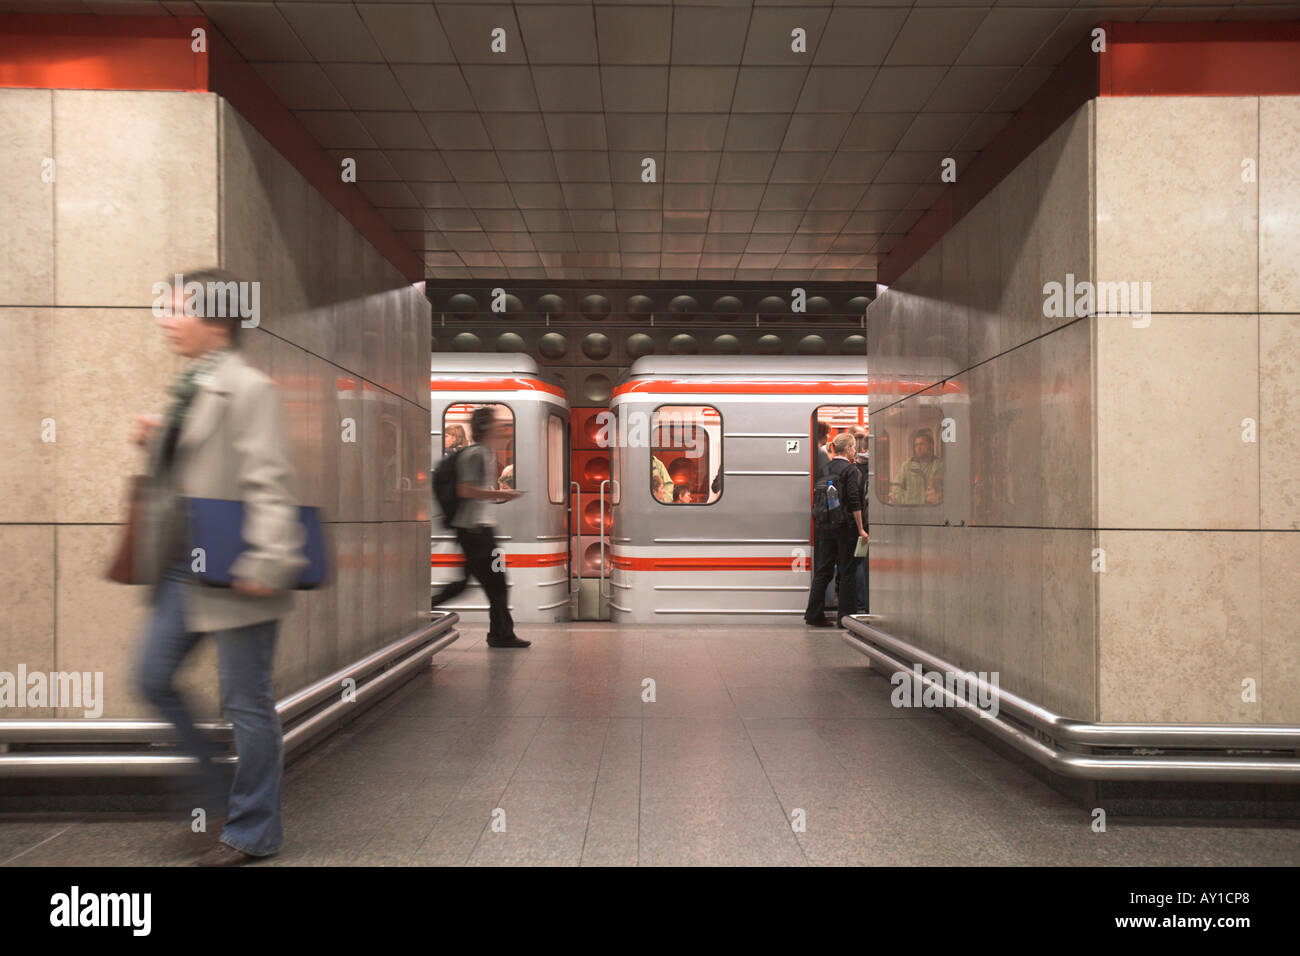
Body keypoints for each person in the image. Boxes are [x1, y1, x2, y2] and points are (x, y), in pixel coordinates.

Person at [131, 268, 307, 867]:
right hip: (185, 567)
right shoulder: (193, 385)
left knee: (246, 701)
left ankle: (254, 830)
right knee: (151, 677)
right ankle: (214, 795)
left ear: (214, 318)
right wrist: (156, 439)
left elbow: (271, 482)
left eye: (176, 308)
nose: (165, 319)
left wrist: (269, 560)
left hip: (238, 568)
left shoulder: (249, 388)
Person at [431, 406, 529, 648]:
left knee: (476, 584)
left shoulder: (483, 452)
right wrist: (503, 493)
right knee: (497, 584)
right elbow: (464, 490)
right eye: (495, 423)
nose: (500, 427)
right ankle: (501, 635)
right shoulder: (476, 454)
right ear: (485, 427)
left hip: (477, 530)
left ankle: (500, 634)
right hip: (475, 531)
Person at [805, 432, 868, 629]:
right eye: (853, 448)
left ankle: (813, 614)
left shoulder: (825, 468)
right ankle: (845, 618)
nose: (854, 451)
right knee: (847, 571)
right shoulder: (850, 470)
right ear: (849, 449)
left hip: (825, 527)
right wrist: (861, 529)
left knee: (823, 570)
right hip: (846, 528)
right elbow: (854, 500)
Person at [890, 428, 944, 505]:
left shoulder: (940, 465)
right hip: (912, 509)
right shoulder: (907, 466)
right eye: (916, 445)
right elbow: (896, 487)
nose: (918, 448)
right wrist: (906, 501)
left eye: (921, 444)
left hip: (933, 509)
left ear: (931, 446)